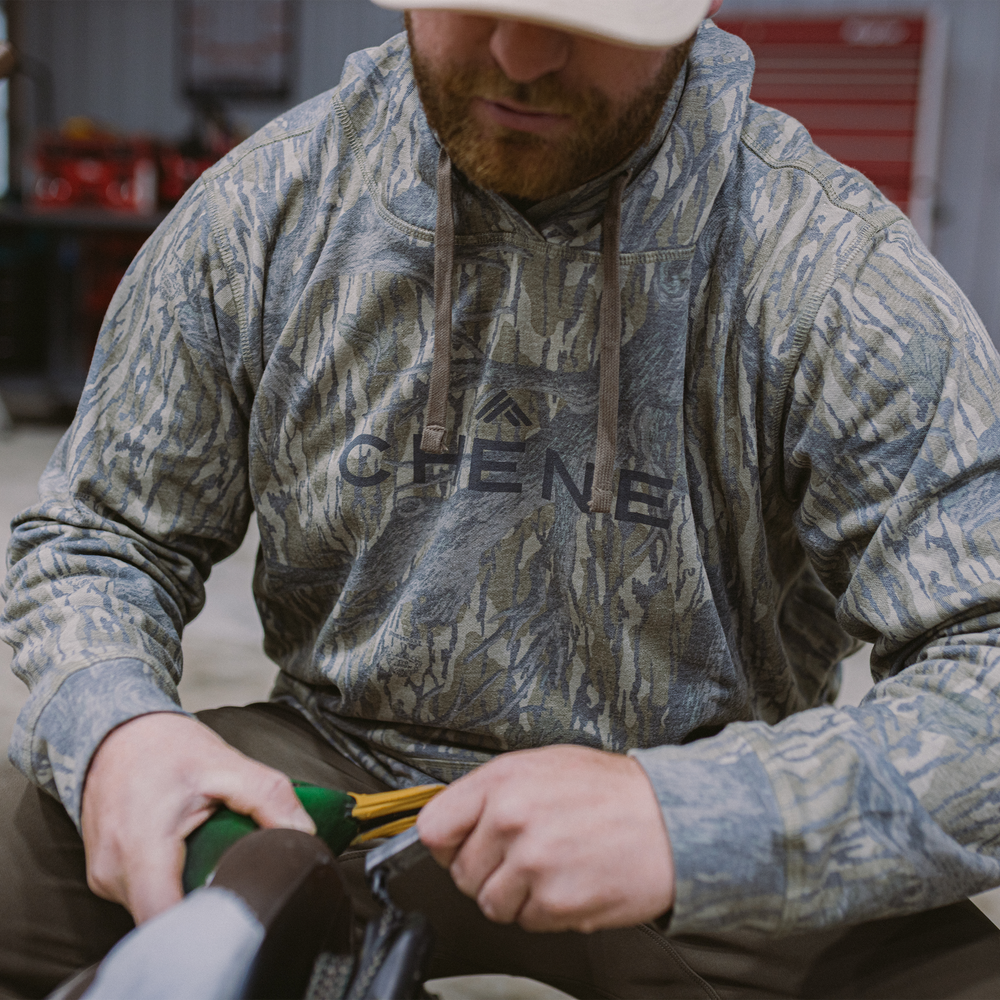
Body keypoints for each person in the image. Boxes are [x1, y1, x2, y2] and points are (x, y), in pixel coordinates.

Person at [2, 0, 1000, 996]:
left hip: (693, 799)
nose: (520, 53)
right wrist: (117, 728)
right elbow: (101, 534)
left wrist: (700, 818)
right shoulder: (267, 208)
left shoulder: (831, 268)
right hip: (335, 773)